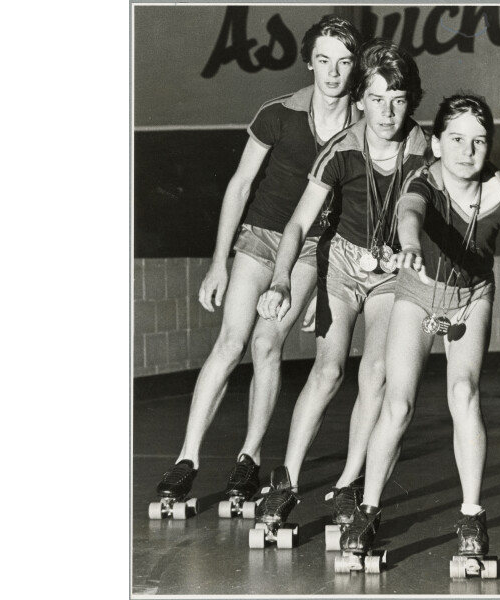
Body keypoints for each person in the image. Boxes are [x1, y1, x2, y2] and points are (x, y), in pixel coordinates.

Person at [151, 16, 363, 519]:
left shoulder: (363, 125)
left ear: (355, 68)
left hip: (313, 247)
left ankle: (249, 457)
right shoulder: (279, 113)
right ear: (310, 60)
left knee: (267, 343)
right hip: (259, 237)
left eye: (344, 61)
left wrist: (321, 290)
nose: (333, 72)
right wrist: (218, 263)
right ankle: (187, 458)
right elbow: (240, 186)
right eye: (324, 60)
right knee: (232, 340)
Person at [340, 94, 500, 566]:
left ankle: (473, 515)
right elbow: (409, 214)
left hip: (471, 296)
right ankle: (368, 510)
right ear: (436, 144)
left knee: (463, 392)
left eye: (478, 140)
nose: (467, 149)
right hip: (418, 291)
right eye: (455, 139)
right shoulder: (424, 180)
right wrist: (411, 245)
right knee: (397, 404)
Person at [250, 38, 428, 542]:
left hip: (394, 271)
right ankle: (285, 481)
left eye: (397, 101)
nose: (387, 112)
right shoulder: (343, 147)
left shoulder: (422, 150)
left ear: (410, 100)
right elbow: (298, 222)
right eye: (376, 99)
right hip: (343, 264)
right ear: (361, 98)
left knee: (374, 372)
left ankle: (349, 483)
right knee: (327, 371)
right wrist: (283, 278)